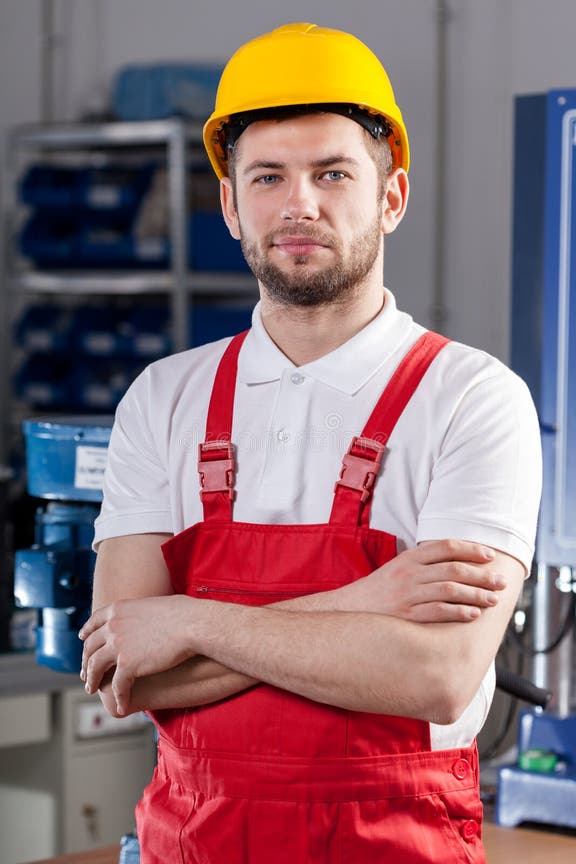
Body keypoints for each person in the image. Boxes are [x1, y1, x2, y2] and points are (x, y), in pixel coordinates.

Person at [79, 22, 542, 864]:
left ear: (391, 196)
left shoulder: (473, 399)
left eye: (333, 173)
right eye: (267, 177)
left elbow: (435, 676)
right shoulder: (164, 398)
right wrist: (373, 601)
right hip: (194, 844)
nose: (301, 204)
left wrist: (186, 621)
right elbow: (128, 677)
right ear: (229, 206)